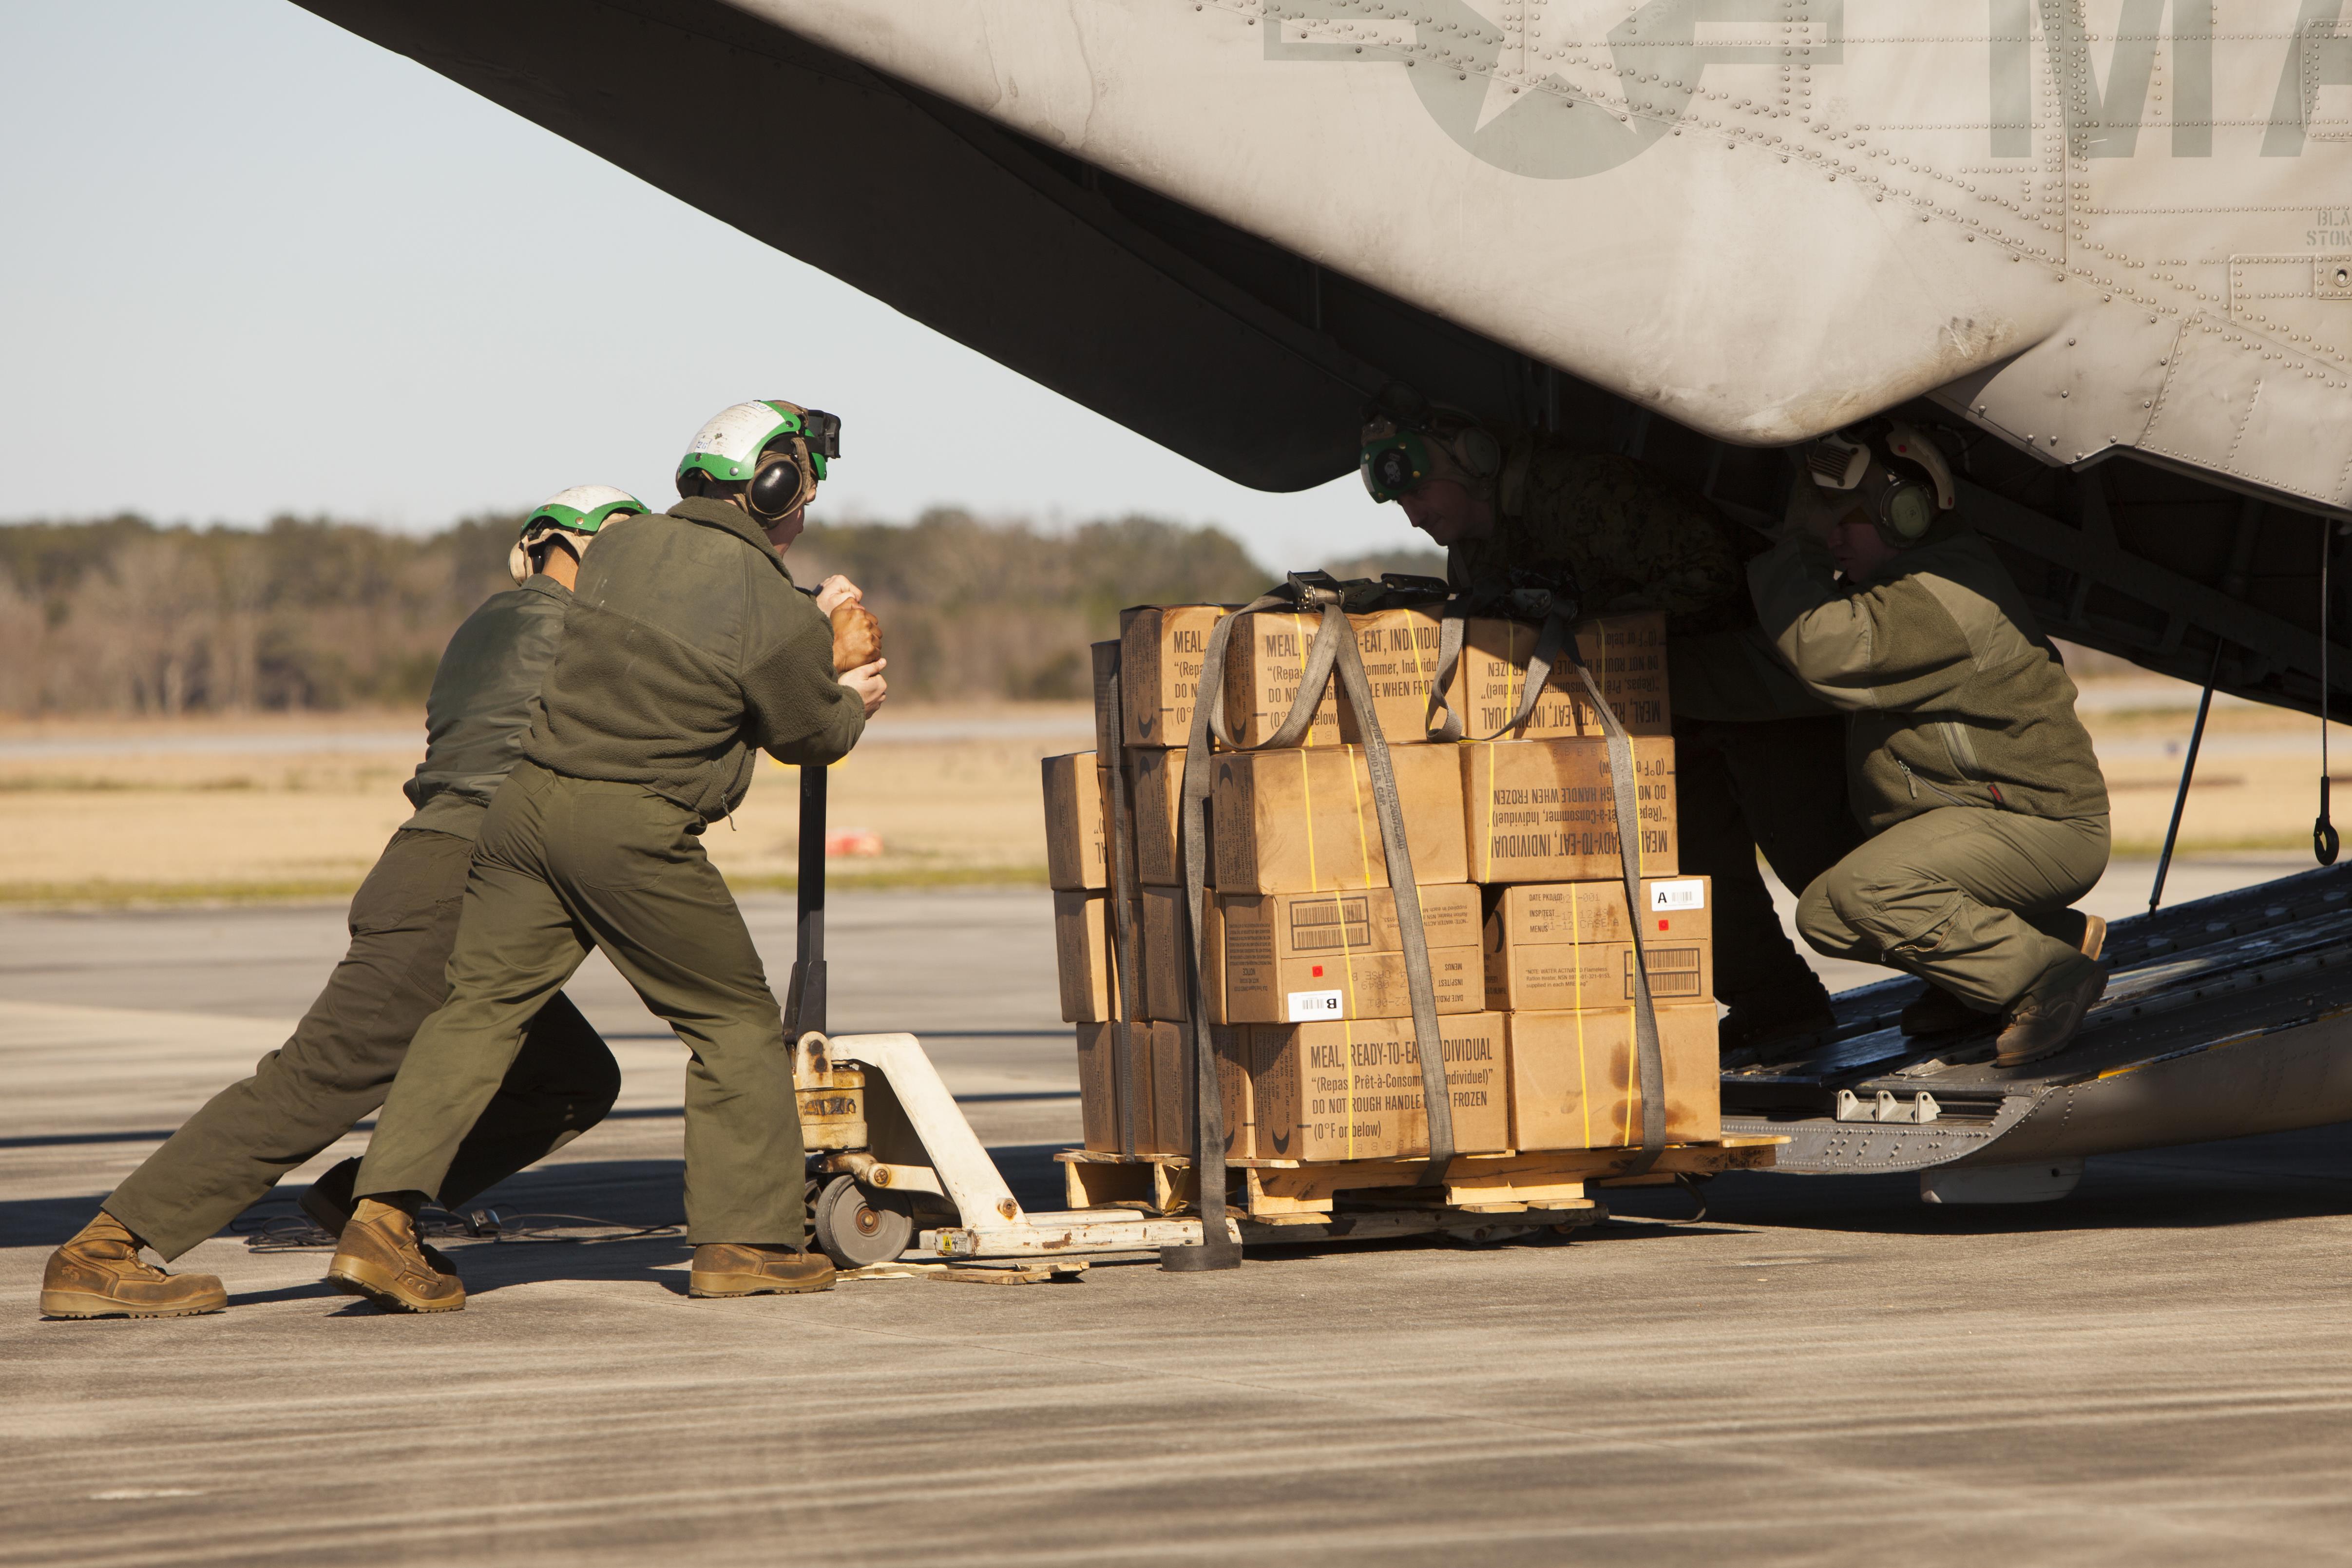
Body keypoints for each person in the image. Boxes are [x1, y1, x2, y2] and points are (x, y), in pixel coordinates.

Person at [328, 400, 887, 1313]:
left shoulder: (622, 549)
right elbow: (807, 732)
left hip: (524, 813)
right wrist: (849, 688)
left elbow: (694, 613)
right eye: (799, 498)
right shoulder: (763, 597)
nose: (800, 516)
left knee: (479, 1010)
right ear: (771, 488)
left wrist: (807, 622)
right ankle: (743, 1242)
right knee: (733, 1023)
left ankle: (380, 1220)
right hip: (630, 826)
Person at [38, 489, 646, 1320]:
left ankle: (369, 1203)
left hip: (465, 878)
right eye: (621, 548)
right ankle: (103, 1249)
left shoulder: (494, 622)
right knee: (315, 1082)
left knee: (573, 1078)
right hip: (457, 882)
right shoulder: (562, 627)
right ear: (569, 547)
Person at [1358, 396, 1861, 1057]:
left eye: (1419, 493)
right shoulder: (1476, 552)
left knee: (1820, 861)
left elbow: (1713, 571)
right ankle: (1775, 1001)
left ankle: (1966, 981)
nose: (1415, 516)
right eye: (1402, 505)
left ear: (1470, 460)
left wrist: (1596, 623)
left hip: (1750, 683)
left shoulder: (1579, 489)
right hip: (1663, 706)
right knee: (1683, 860)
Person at [1752, 421, 2112, 1066]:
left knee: (1867, 889)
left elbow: (1824, 651)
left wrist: (1799, 540)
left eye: (1846, 520)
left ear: (1906, 514)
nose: (1834, 540)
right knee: (1825, 914)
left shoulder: (1946, 594)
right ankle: (2007, 960)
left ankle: (2048, 975)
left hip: (2044, 825)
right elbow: (1776, 676)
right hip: (1987, 821)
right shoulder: (1894, 592)